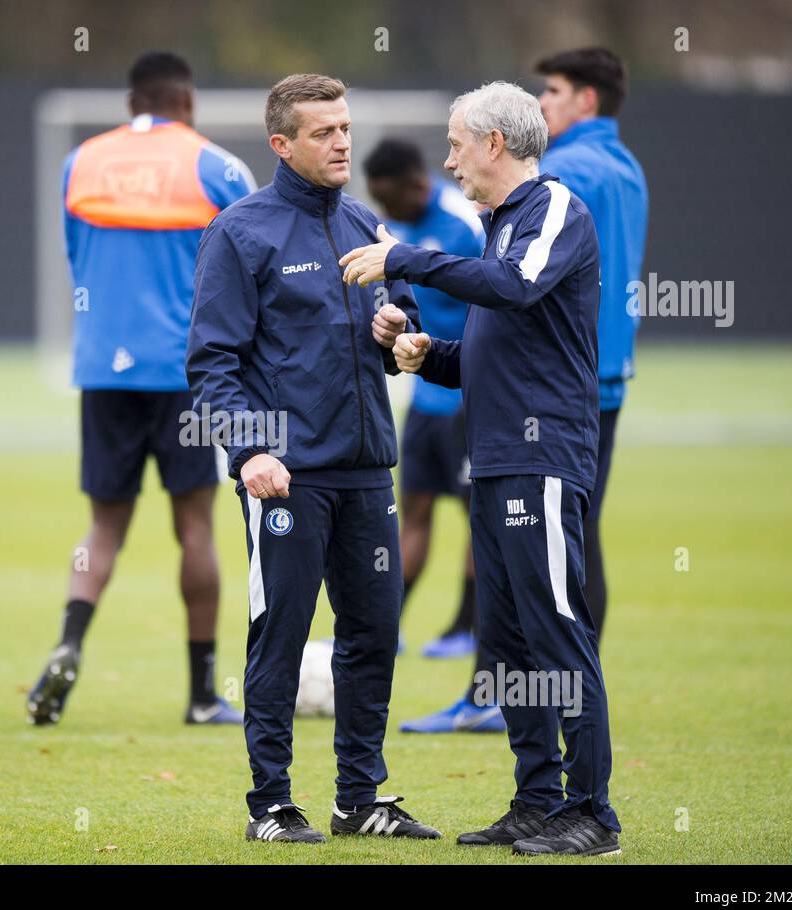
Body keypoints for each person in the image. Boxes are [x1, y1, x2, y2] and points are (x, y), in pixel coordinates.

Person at [340, 81, 621, 855]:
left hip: (543, 458)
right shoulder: (498, 229)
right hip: (494, 459)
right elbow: (497, 354)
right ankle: (537, 800)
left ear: (498, 143)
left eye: (459, 142)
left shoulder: (555, 209)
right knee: (508, 644)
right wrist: (429, 356)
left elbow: (514, 287)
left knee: (559, 629)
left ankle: (593, 812)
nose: (450, 158)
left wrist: (406, 258)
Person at [188, 73, 441, 843]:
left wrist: (401, 329)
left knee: (375, 632)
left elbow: (396, 333)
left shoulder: (365, 222)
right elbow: (210, 366)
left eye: (345, 127)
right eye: (323, 131)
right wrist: (248, 450)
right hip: (287, 475)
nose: (342, 141)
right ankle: (271, 803)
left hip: (368, 468)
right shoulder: (240, 232)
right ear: (281, 144)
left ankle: (359, 798)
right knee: (283, 632)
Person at [27, 52, 254, 727]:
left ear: (133, 103)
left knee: (103, 526)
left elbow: (77, 259)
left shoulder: (82, 162)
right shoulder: (215, 166)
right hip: (188, 372)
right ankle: (202, 692)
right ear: (188, 100)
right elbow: (251, 263)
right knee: (194, 527)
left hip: (104, 367)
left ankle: (69, 641)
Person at [363, 139, 505, 736]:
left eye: (386, 193)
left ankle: (465, 626)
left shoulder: (461, 222)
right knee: (413, 506)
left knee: (480, 516)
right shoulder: (394, 227)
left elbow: (496, 293)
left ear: (410, 182)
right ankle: (390, 626)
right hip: (425, 392)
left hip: (470, 395)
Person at [535, 48, 649, 645]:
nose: (542, 102)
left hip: (561, 378)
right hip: (604, 373)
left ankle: (518, 689)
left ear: (587, 99)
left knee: (539, 534)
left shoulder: (567, 168)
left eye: (553, 90)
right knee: (579, 525)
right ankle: (577, 685)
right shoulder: (624, 164)